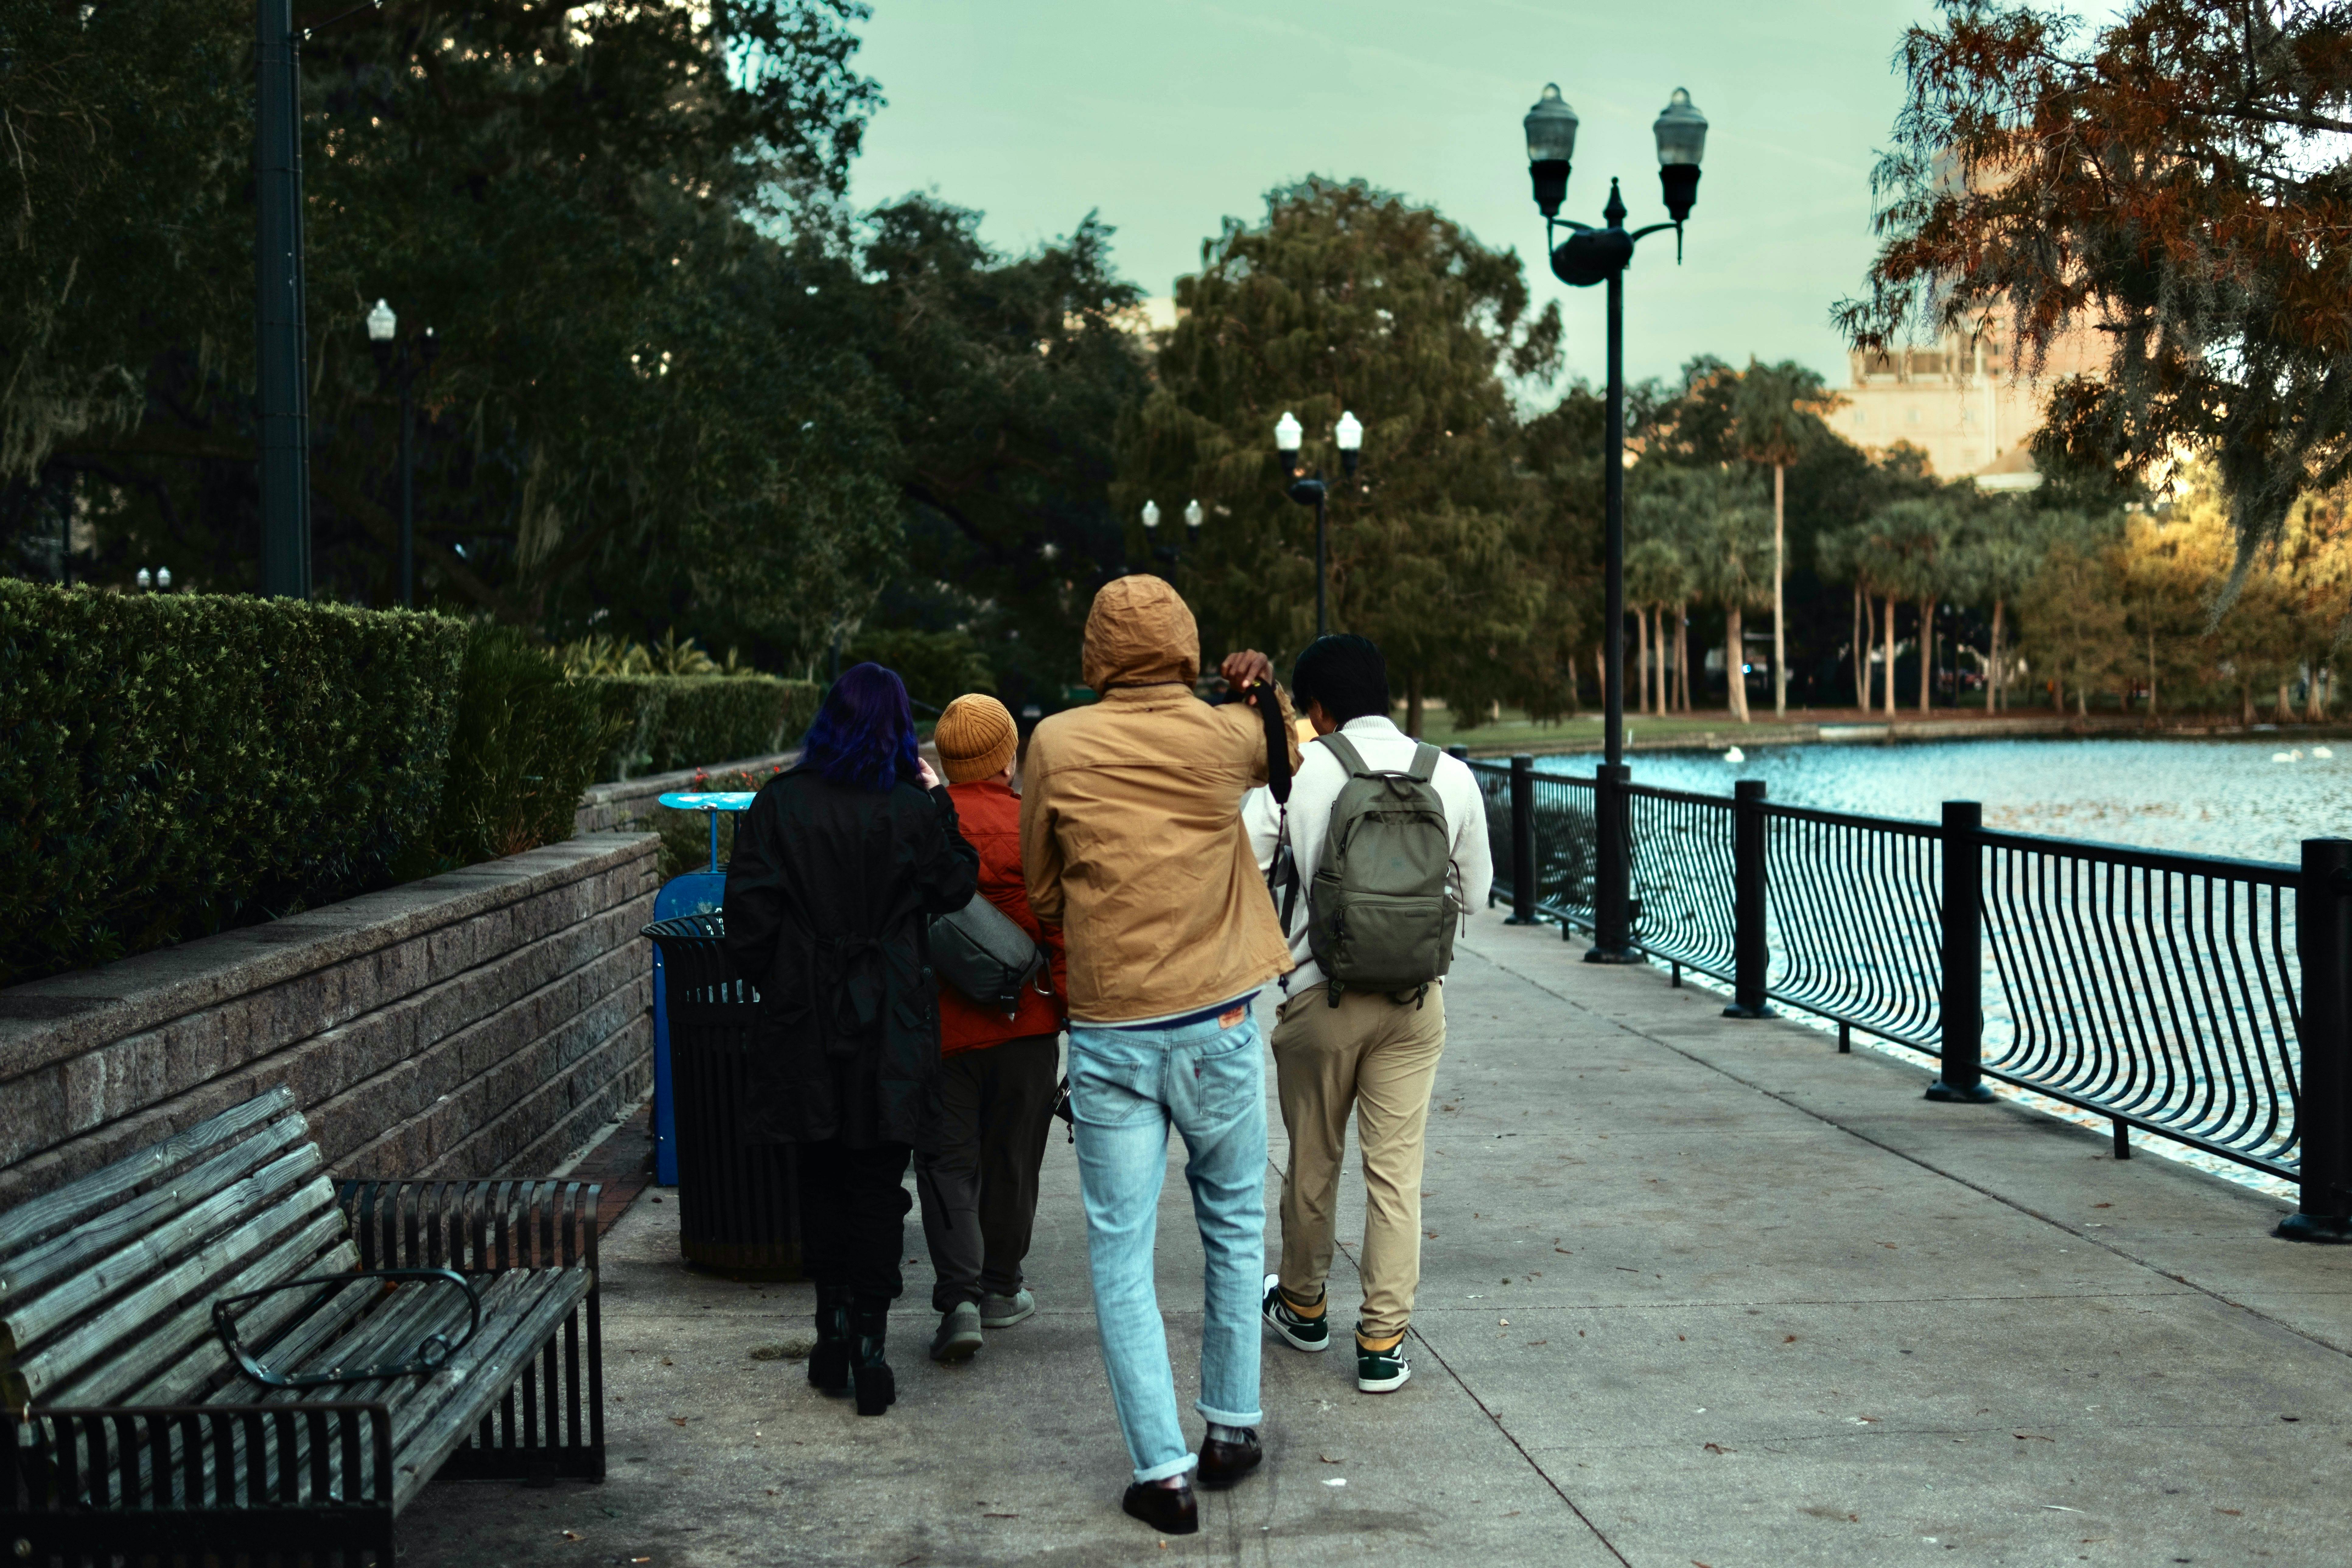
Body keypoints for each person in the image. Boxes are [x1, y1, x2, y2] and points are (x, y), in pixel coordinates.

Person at [1019, 575, 1298, 1537]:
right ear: (1185, 641)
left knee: (1120, 1250)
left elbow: (1043, 887)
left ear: (1096, 650)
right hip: (1219, 1021)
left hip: (1111, 1030)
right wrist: (1261, 689)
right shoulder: (1225, 734)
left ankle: (1163, 1473)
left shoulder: (1055, 743)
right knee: (1231, 1224)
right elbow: (1287, 754)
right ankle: (1231, 1429)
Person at [721, 663, 979, 1418]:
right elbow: (955, 885)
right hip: (890, 1020)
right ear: (899, 728)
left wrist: (794, 973)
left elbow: (747, 924)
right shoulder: (908, 808)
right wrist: (939, 803)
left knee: (821, 1177)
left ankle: (831, 1330)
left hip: (804, 1020)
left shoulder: (781, 805)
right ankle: (869, 1342)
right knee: (874, 1180)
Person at [1244, 634, 1491, 1394]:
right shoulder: (1449, 773)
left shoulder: (1298, 773)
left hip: (1320, 998)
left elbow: (1245, 872)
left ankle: (1305, 1304)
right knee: (1397, 1172)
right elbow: (1476, 895)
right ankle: (1383, 1340)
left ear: (1315, 707)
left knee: (1314, 1159)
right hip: (1416, 1002)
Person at [917, 693, 1068, 1364]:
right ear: (1009, 754)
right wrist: (1068, 1009)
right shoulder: (1031, 823)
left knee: (948, 1161)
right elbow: (1063, 926)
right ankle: (1003, 1284)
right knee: (1012, 1159)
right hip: (1027, 1024)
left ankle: (959, 1297)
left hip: (943, 1029)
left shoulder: (926, 825)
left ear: (945, 759)